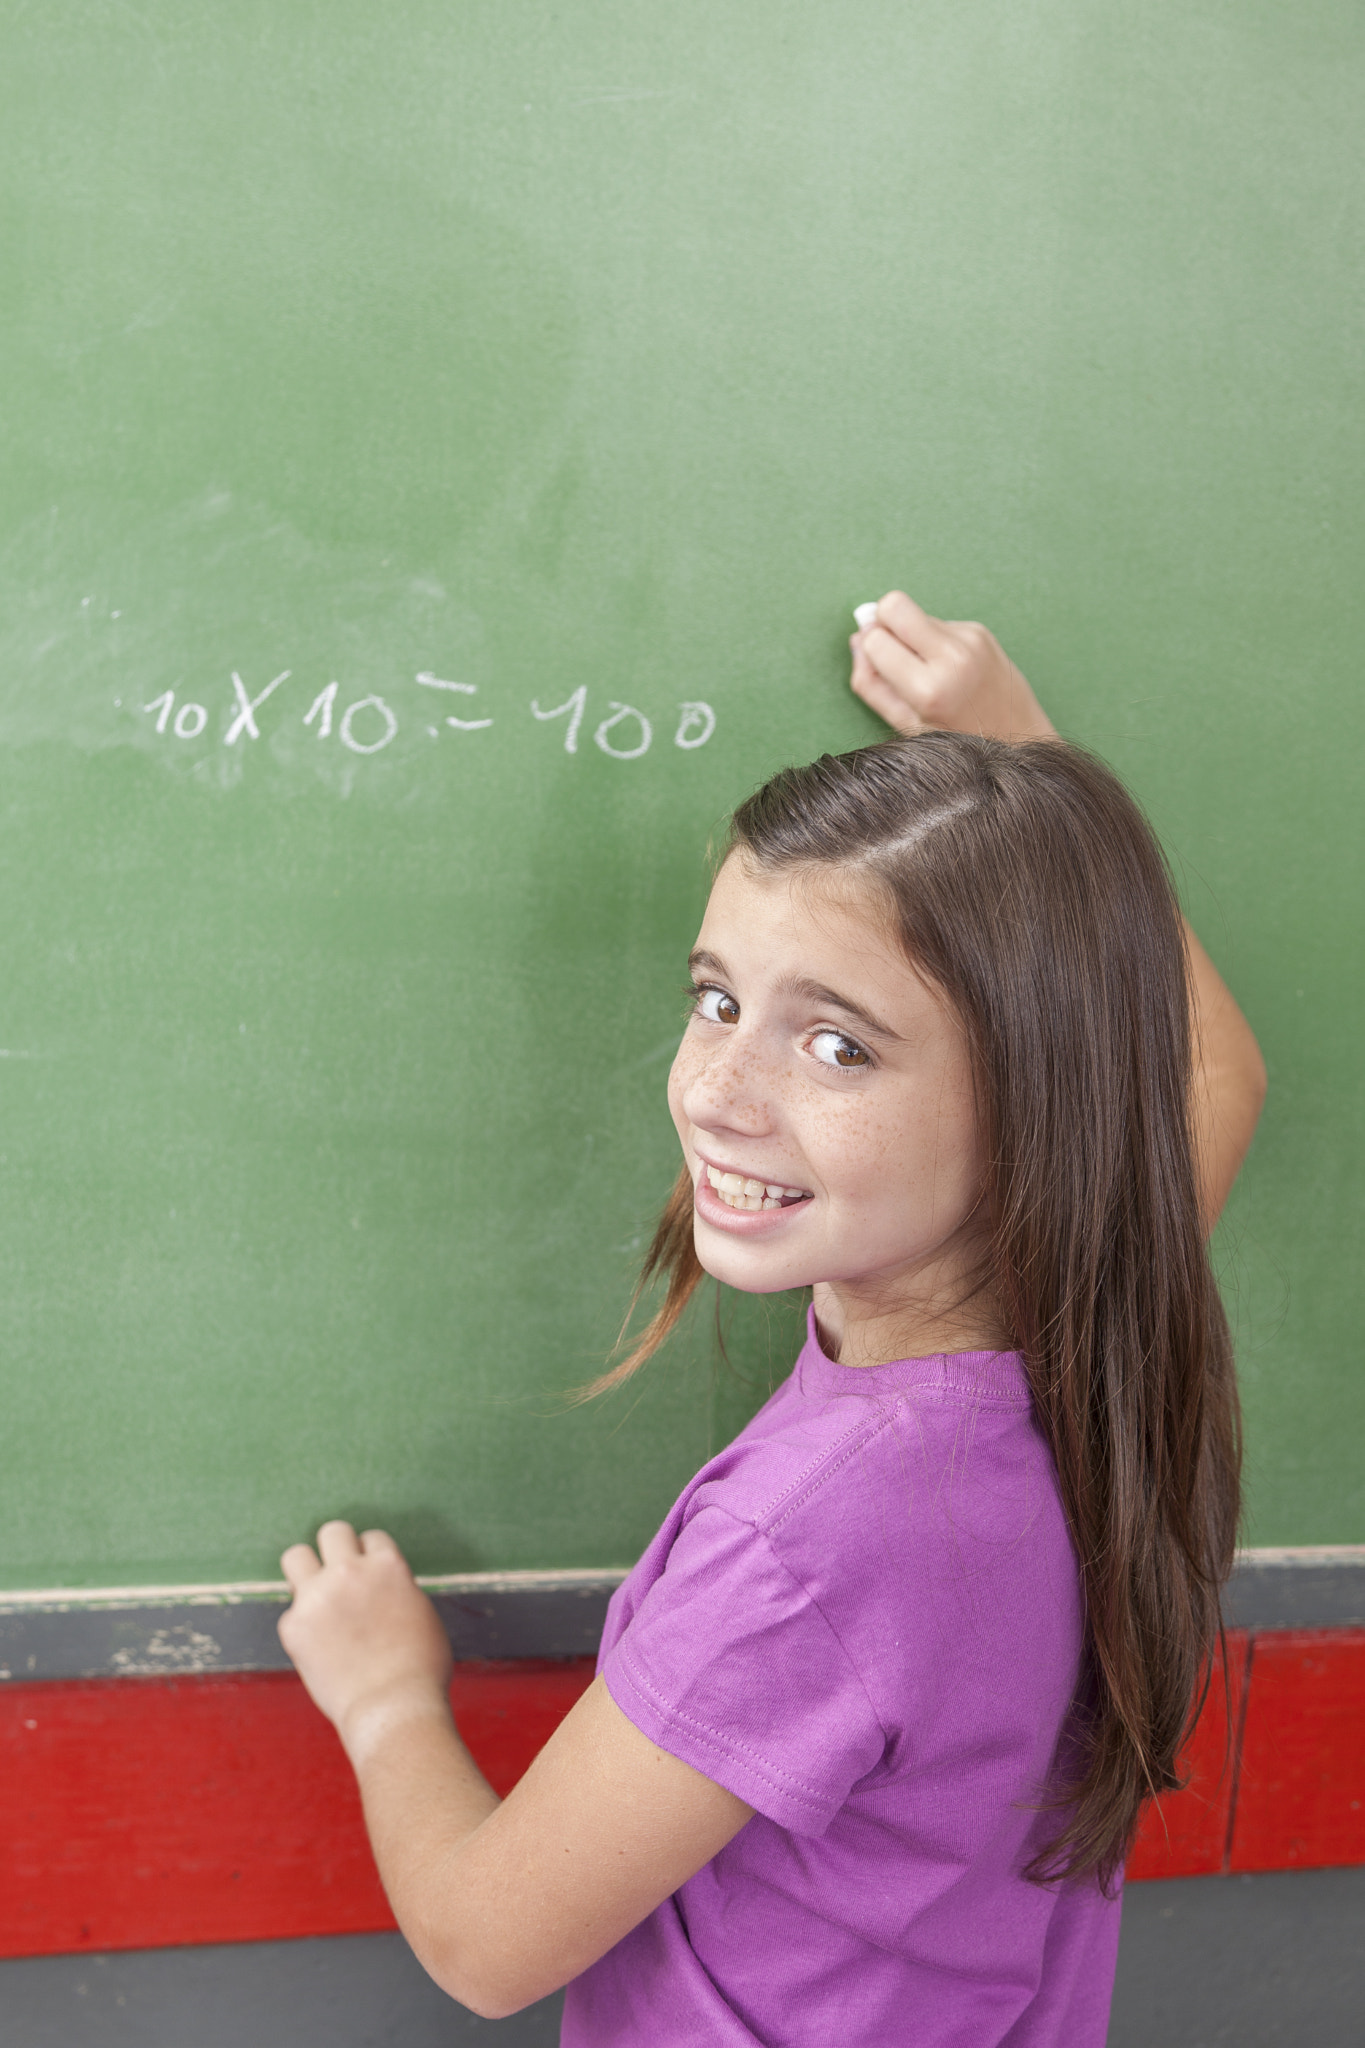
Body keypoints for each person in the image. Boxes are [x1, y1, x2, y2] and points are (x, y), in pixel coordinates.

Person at [278, 595, 1267, 2045]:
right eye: (714, 998)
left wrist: (382, 1698)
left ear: (1037, 1093)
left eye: (833, 1043)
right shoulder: (1098, 1317)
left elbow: (486, 1946)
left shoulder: (807, 1549)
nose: (716, 1092)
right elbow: (1213, 1072)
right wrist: (1020, 767)